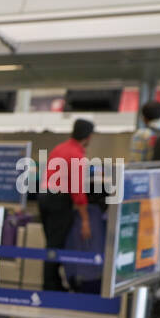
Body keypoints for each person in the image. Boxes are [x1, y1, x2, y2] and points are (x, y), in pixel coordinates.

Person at [39, 119, 94, 291]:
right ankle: (50, 285)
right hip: (59, 201)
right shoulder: (77, 155)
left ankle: (53, 282)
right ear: (89, 137)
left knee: (51, 242)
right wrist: (85, 220)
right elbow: (77, 191)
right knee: (55, 244)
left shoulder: (59, 148)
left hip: (44, 197)